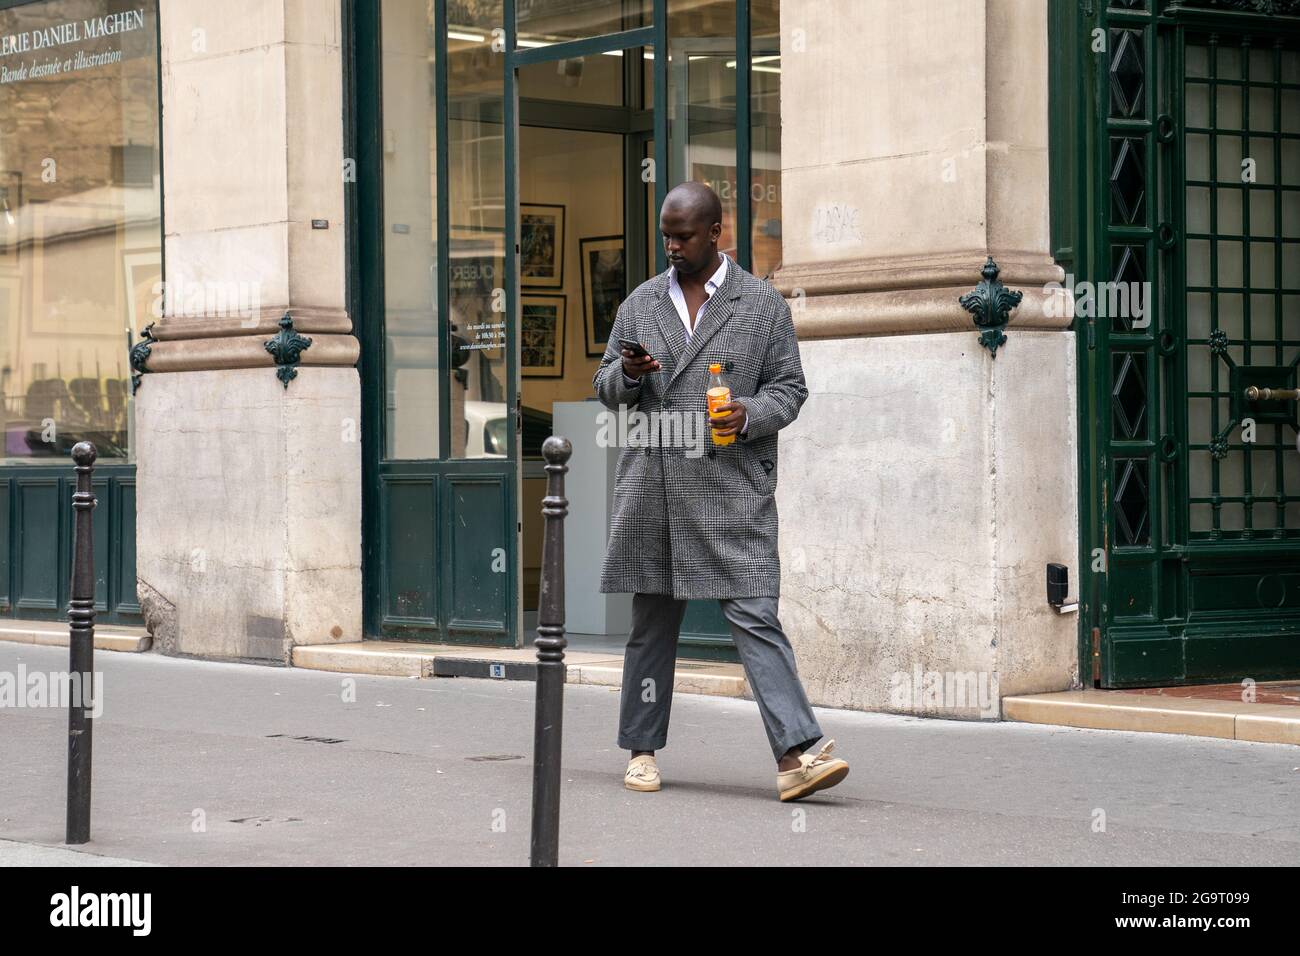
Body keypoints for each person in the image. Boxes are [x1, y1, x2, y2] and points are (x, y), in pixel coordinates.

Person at [592, 181, 849, 802]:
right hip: (655, 487)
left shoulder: (761, 304)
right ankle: (642, 750)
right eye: (666, 235)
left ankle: (796, 754)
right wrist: (627, 373)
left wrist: (748, 414)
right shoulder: (641, 302)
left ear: (716, 233)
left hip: (731, 486)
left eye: (683, 235)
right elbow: (603, 386)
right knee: (651, 625)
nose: (672, 246)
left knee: (755, 612)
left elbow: (790, 389)